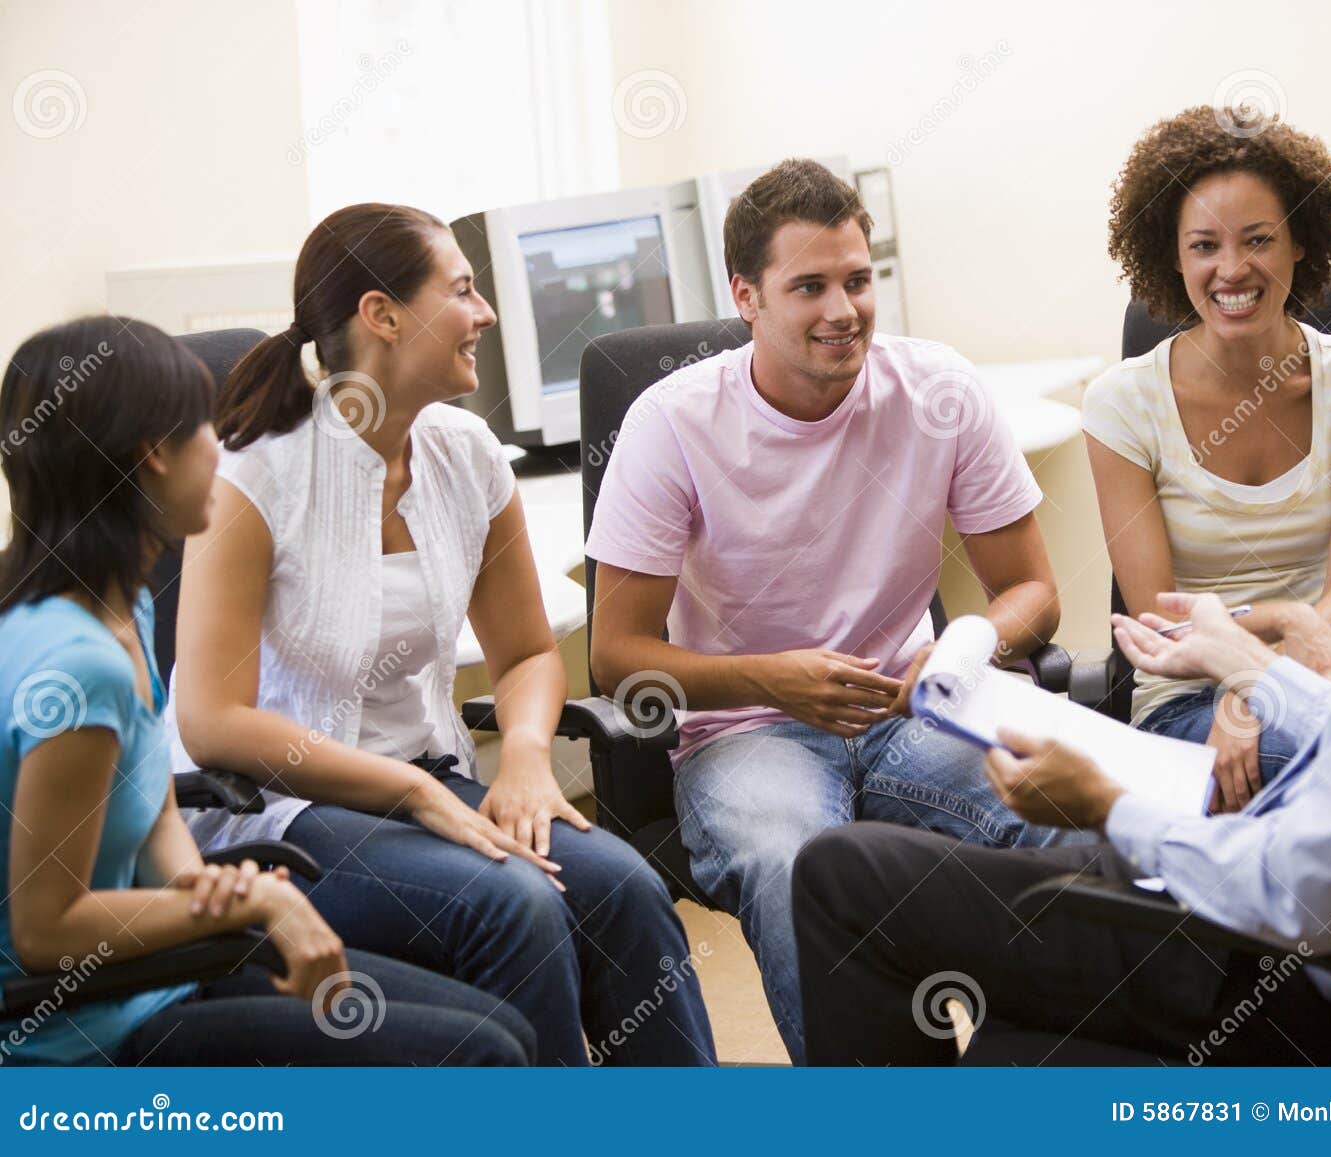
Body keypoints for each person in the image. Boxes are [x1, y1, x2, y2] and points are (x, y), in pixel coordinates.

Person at [794, 201, 1331, 1064]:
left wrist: (1108, 804)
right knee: (1007, 1020)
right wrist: (1251, 666)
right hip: (1284, 924)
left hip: (1258, 968)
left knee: (839, 877)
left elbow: (1307, 889)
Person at [167, 204, 715, 1067]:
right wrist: (413, 791)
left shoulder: (465, 454)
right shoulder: (258, 472)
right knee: (516, 901)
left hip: (428, 786)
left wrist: (528, 757)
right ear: (381, 315)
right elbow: (211, 721)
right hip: (281, 810)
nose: (485, 312)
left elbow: (530, 652)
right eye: (462, 290)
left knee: (626, 891)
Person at [584, 158, 1064, 1061]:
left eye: (857, 279)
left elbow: (1033, 593)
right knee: (794, 867)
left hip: (913, 711)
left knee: (1054, 812)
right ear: (747, 296)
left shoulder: (941, 390)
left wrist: (965, 645)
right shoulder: (672, 422)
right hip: (749, 731)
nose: (844, 310)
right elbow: (616, 654)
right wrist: (775, 679)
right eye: (810, 286)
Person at [0, 317, 536, 1066]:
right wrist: (258, 901)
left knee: (505, 1034)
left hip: (159, 972)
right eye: (204, 430)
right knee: (483, 1056)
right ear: (153, 457)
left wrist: (208, 889)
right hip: (85, 1037)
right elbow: (45, 928)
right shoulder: (77, 665)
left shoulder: (120, 607)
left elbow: (153, 812)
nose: (221, 450)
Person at [1084, 107, 1331, 811]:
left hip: (1323, 678)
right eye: (1204, 246)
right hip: (1186, 701)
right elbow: (1161, 623)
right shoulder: (1120, 404)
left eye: (1259, 240)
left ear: (1301, 245)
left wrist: (1265, 680)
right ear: (1173, 256)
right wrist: (1274, 634)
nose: (1232, 269)